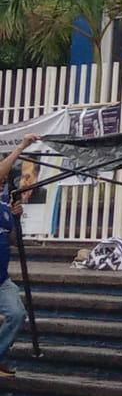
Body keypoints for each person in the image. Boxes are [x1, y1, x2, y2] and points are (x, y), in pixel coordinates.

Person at [0, 134, 40, 377]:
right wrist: (22, 146)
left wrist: (16, 217)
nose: (3, 181)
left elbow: (13, 240)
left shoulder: (4, 208)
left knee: (17, 314)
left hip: (1, 279)